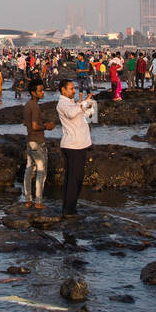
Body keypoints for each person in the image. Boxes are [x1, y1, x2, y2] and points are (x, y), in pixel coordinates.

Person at [56, 79, 94, 217]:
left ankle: (69, 207)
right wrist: (82, 104)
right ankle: (69, 209)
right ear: (63, 90)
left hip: (80, 144)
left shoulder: (72, 103)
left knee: (73, 178)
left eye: (74, 88)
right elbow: (71, 113)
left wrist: (89, 104)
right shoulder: (62, 104)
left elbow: (89, 118)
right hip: (73, 146)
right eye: (71, 88)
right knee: (74, 179)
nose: (74, 91)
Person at [22, 81, 57, 209]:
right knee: (41, 172)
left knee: (29, 169)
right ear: (33, 93)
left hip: (29, 141)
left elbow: (25, 123)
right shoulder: (35, 106)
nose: (43, 92)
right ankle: (38, 201)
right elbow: (35, 126)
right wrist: (47, 127)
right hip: (37, 142)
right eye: (40, 90)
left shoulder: (27, 105)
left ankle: (28, 200)